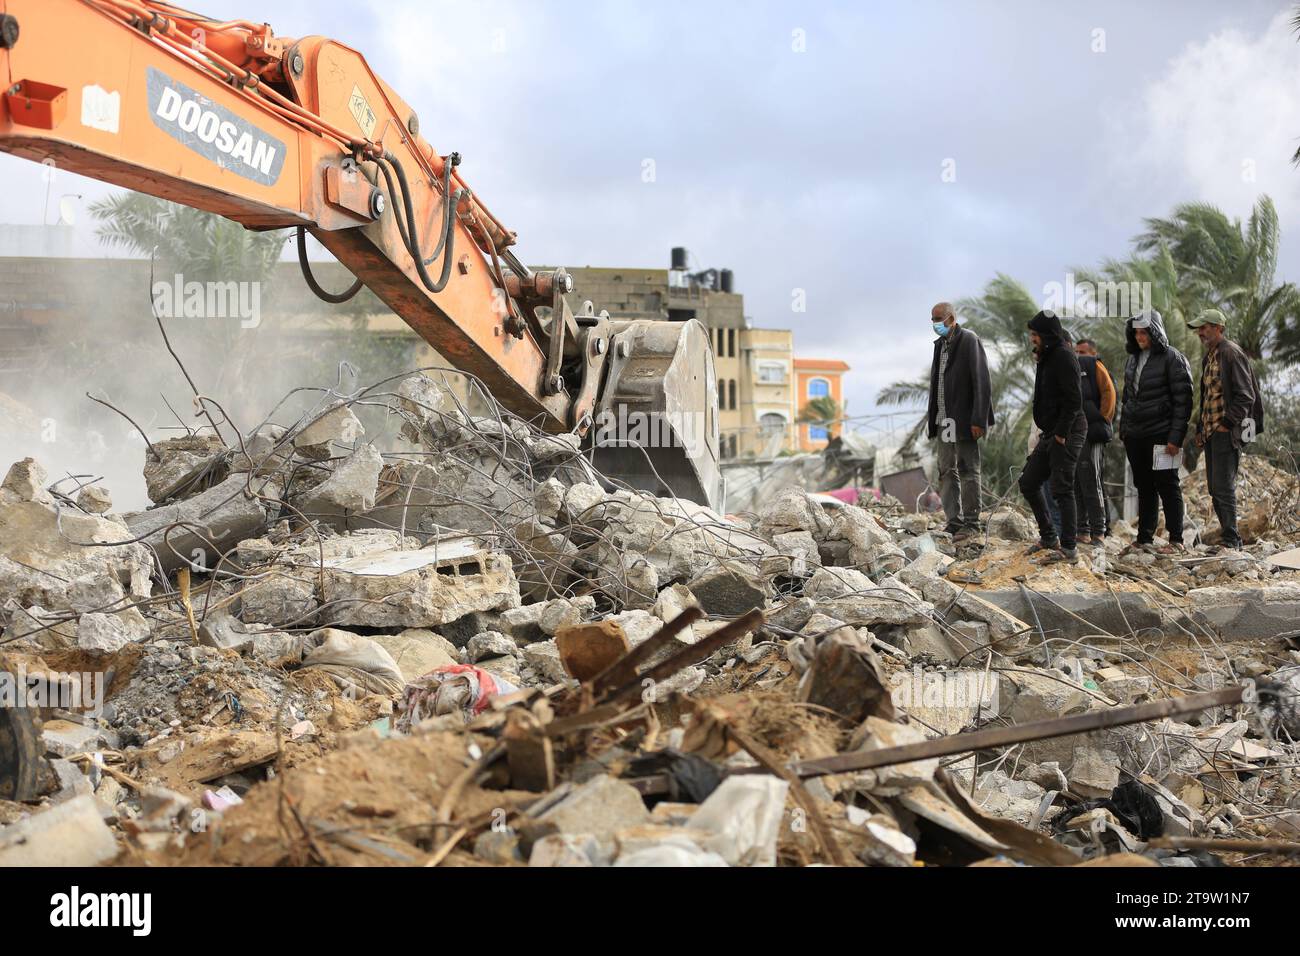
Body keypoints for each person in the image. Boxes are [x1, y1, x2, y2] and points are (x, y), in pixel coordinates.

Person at [1187, 309, 1263, 550]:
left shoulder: (1231, 353)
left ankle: (1232, 540)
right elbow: (1208, 397)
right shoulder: (1211, 356)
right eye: (1199, 328)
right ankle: (1228, 535)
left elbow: (1245, 396)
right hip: (1211, 432)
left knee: (1223, 487)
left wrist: (1226, 426)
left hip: (1226, 433)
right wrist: (1201, 428)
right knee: (1214, 488)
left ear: (1219, 327)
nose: (1200, 332)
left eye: (1205, 327)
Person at [1118, 309, 1193, 554]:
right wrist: (1124, 430)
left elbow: (1184, 401)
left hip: (1162, 434)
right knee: (1144, 487)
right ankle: (1145, 538)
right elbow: (1127, 398)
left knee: (1168, 485)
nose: (1140, 337)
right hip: (1136, 436)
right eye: (1137, 332)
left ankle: (1176, 541)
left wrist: (1175, 438)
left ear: (1155, 332)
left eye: (1144, 332)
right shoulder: (1132, 360)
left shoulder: (1173, 358)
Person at [1018, 310, 1087, 562]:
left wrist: (1059, 435)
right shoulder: (1047, 356)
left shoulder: (1063, 356)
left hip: (1067, 432)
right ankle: (1048, 536)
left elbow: (1074, 400)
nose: (1032, 339)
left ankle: (1069, 549)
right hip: (1051, 432)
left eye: (1035, 335)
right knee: (1028, 482)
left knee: (1061, 488)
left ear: (1046, 334)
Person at [927, 302, 994, 541]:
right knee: (946, 470)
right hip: (945, 420)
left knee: (968, 470)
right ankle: (953, 522)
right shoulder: (940, 346)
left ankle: (972, 523)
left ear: (952, 318)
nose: (935, 324)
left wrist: (979, 419)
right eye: (932, 319)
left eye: (938, 319)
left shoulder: (968, 340)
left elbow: (981, 381)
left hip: (965, 419)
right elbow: (938, 384)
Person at [1073, 337, 1116, 545]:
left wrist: (1101, 418)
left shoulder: (1096, 367)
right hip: (1077, 434)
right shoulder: (1074, 370)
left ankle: (1099, 531)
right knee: (1078, 483)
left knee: (1093, 481)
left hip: (1094, 433)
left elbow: (1109, 393)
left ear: (1092, 352)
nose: (1079, 356)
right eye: (1076, 352)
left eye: (1082, 352)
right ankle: (1083, 530)